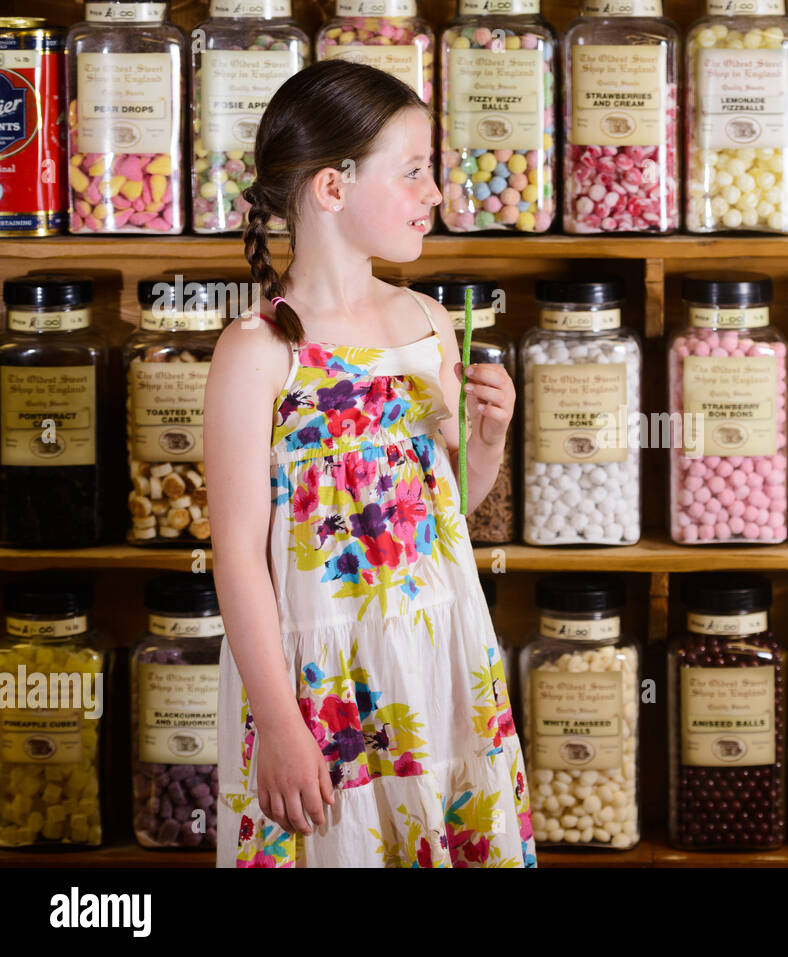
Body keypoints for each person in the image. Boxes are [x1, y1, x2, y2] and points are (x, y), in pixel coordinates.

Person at [203, 59, 534, 867]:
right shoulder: (259, 349)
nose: (436, 194)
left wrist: (487, 440)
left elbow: (449, 508)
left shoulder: (425, 321)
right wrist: (279, 723)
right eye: (415, 171)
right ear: (332, 188)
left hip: (440, 650)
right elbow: (238, 553)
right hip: (317, 671)